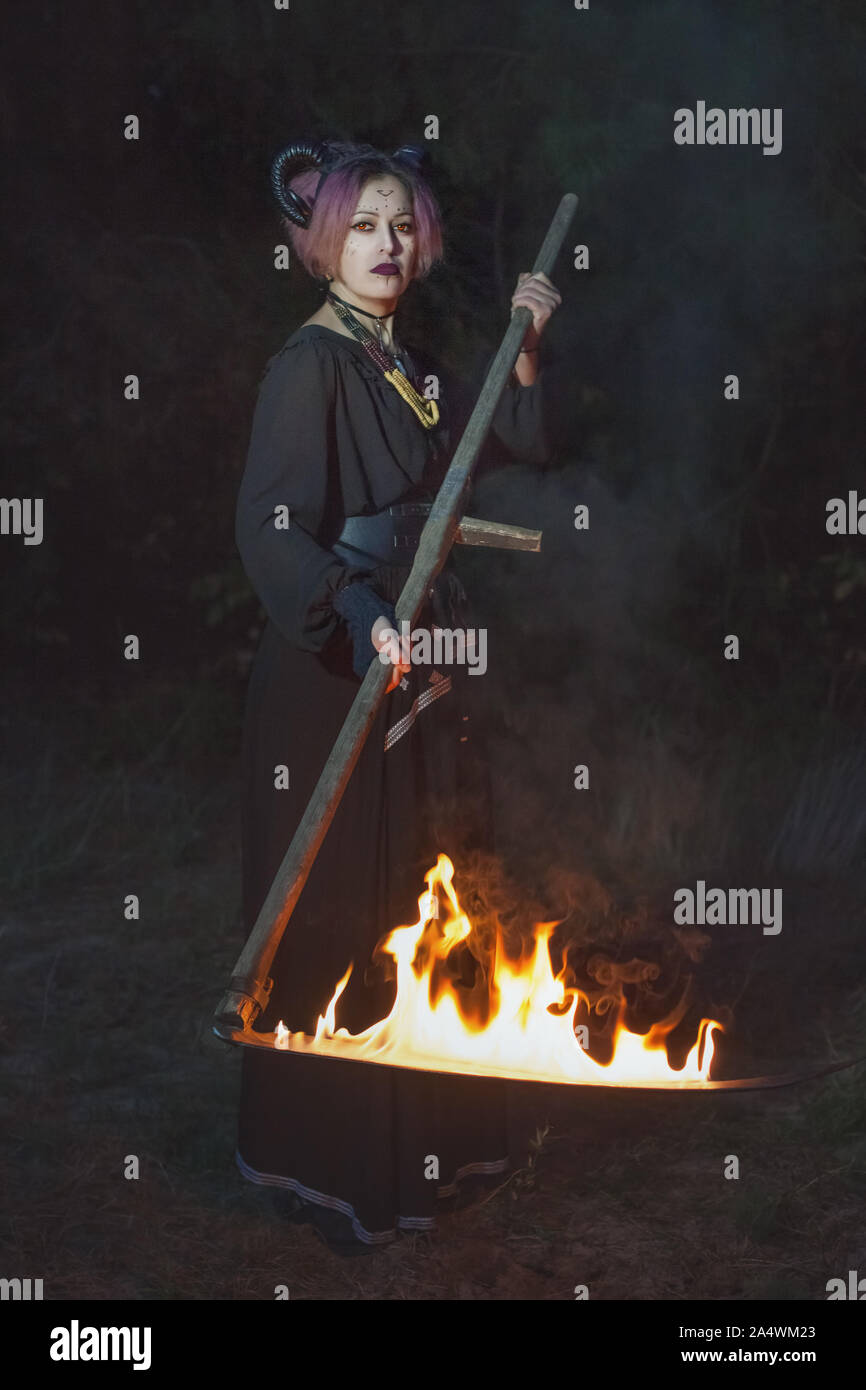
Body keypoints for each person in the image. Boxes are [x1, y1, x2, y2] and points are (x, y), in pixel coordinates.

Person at [234, 138, 563, 1253]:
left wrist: (521, 357)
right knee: (349, 908)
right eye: (363, 224)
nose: (385, 243)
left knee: (431, 893)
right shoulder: (309, 366)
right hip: (336, 661)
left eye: (400, 225)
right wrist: (358, 609)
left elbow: (485, 456)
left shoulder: (397, 364)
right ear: (323, 242)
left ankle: (437, 1145)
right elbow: (270, 525)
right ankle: (334, 1165)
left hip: (417, 649)